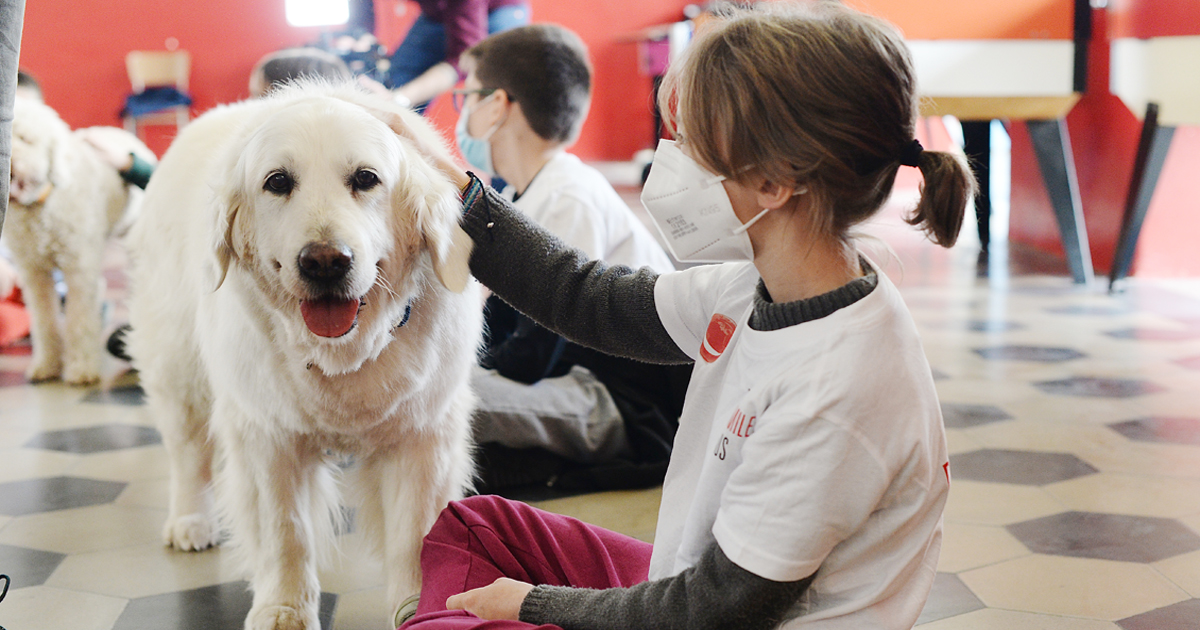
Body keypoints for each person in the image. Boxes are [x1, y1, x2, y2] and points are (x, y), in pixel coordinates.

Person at [386, 1, 974, 628]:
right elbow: (589, 298)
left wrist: (528, 603)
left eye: (689, 140)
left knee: (461, 614)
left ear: (776, 183)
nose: (669, 160)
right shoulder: (752, 288)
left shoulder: (838, 391)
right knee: (473, 523)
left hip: (704, 611)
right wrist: (458, 193)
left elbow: (710, 609)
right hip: (691, 585)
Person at [453, 24, 686, 490]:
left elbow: (532, 357)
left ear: (496, 104)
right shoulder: (531, 194)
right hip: (573, 381)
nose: (462, 112)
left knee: (434, 398)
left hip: (620, 404)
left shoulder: (567, 198)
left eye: (467, 95)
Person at [359, 0, 530, 112]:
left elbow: (463, 60)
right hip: (438, 10)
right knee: (392, 82)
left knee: (493, 88)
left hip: (499, 8)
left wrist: (400, 99)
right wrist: (362, 32)